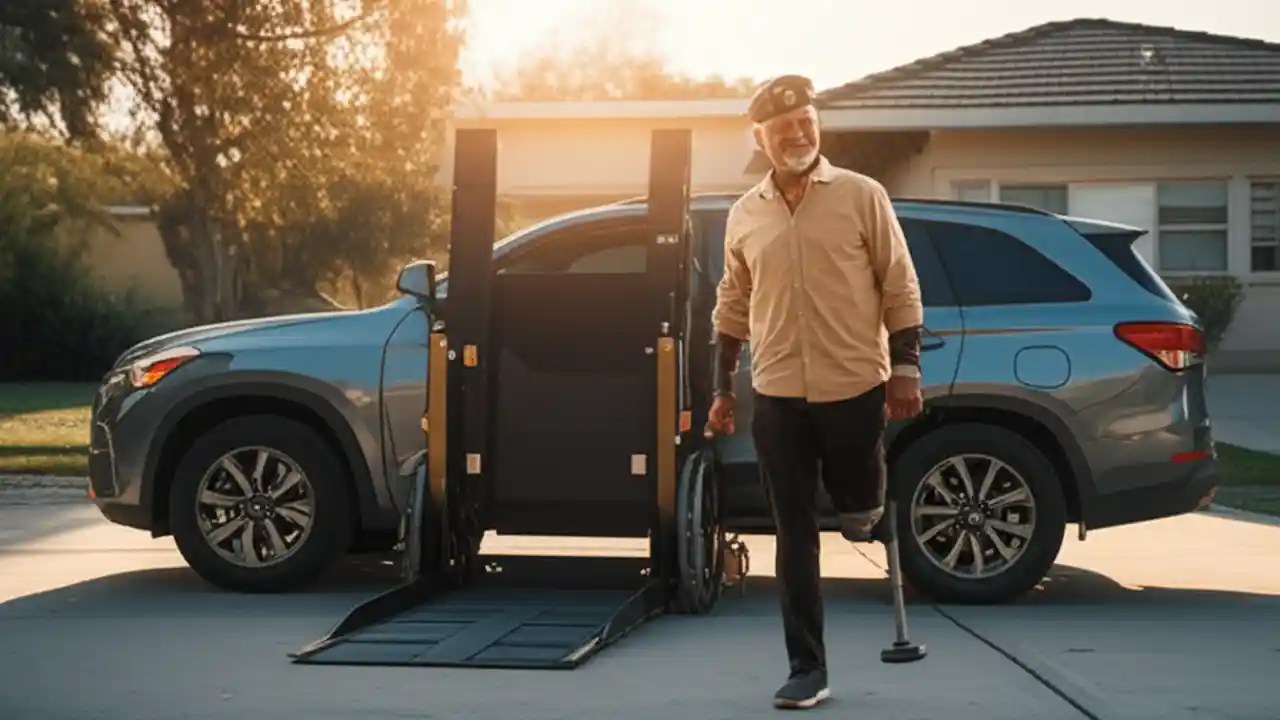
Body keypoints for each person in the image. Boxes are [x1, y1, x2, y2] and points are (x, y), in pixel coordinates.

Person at [706, 74, 925, 710]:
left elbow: (899, 284)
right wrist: (721, 386)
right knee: (793, 530)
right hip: (777, 394)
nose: (797, 135)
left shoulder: (862, 196)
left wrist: (906, 366)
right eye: (783, 130)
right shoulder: (745, 214)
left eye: (805, 122)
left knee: (858, 510)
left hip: (855, 385)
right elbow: (733, 301)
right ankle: (808, 667)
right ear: (762, 141)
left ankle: (865, 503)